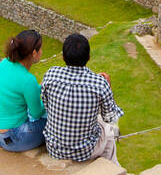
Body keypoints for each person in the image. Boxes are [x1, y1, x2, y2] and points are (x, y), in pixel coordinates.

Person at [40, 33, 124, 164]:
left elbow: (46, 104)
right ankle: (111, 166)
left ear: (63, 57)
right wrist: (107, 87)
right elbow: (110, 117)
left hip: (54, 148)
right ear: (88, 57)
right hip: (84, 151)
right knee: (108, 127)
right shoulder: (99, 84)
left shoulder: (51, 74)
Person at [0, 29, 46, 152]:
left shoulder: (4, 64)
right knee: (54, 118)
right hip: (16, 138)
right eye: (40, 48)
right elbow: (37, 112)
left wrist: (38, 89)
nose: (42, 52)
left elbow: (16, 90)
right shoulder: (28, 79)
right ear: (34, 53)